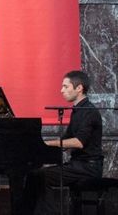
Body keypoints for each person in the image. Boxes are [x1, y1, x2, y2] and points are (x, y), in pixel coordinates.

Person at [26, 71, 103, 215]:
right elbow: (65, 138)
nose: (61, 90)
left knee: (40, 176)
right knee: (34, 174)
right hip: (78, 165)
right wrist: (42, 145)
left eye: (65, 86)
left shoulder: (89, 112)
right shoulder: (77, 111)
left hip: (88, 167)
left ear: (79, 88)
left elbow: (79, 142)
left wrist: (48, 144)